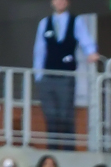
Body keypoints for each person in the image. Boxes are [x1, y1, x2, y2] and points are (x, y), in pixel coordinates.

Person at [34, 0, 101, 148]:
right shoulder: (45, 23)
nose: (60, 2)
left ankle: (69, 148)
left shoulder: (75, 21)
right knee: (50, 115)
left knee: (66, 114)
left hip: (66, 75)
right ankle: (52, 148)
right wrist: (38, 75)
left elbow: (85, 39)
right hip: (47, 75)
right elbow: (39, 50)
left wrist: (91, 52)